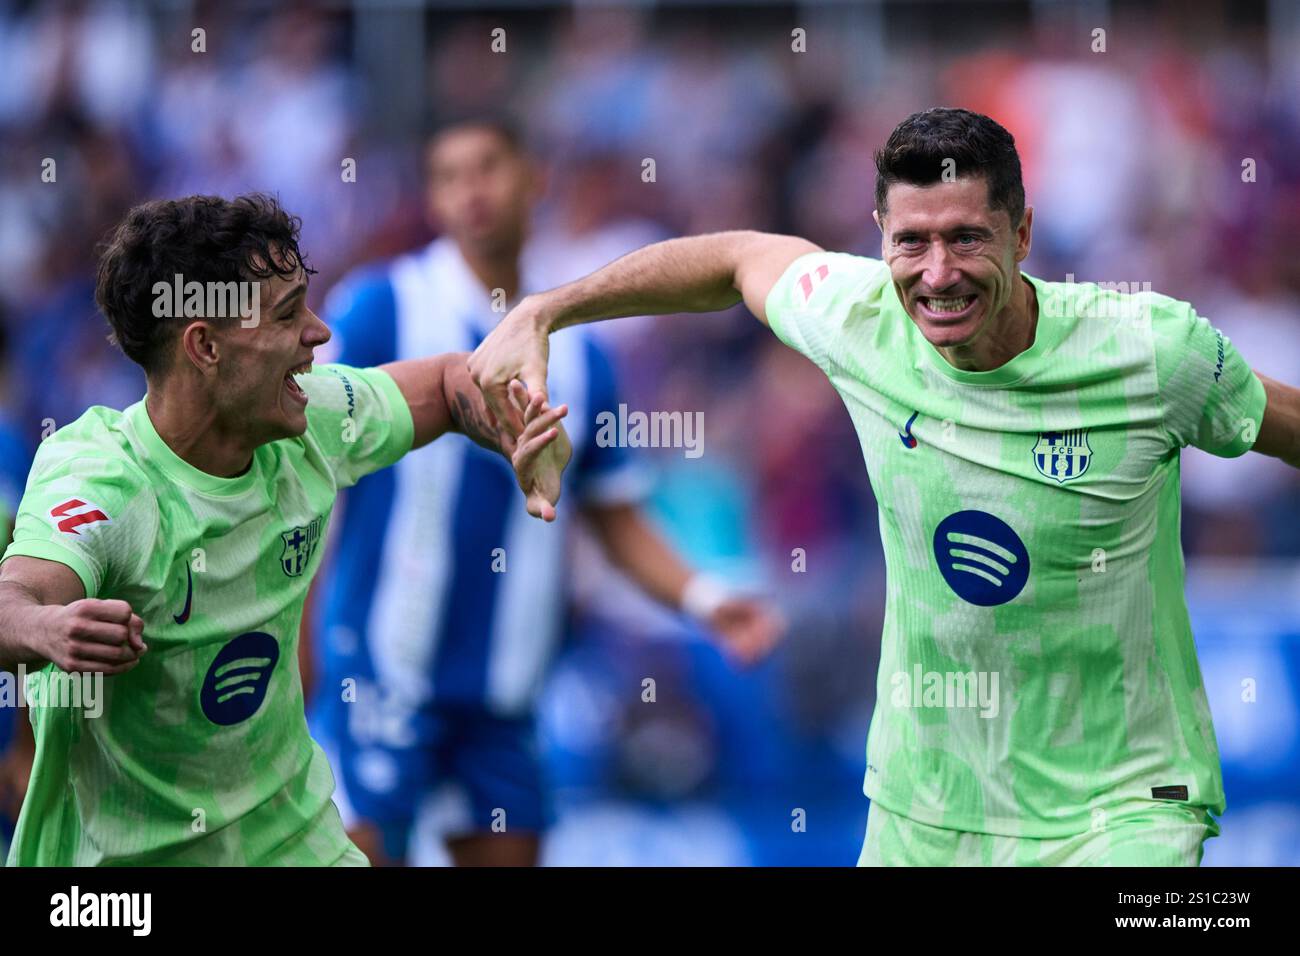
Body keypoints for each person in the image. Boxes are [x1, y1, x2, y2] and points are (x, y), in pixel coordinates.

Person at [469, 107, 1300, 866]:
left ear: (1022, 235)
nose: (937, 274)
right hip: (924, 812)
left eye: (969, 238)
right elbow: (735, 259)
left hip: (1121, 812)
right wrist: (546, 310)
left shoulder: (1153, 353)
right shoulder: (858, 318)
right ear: (880, 237)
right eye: (911, 242)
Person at [0, 193, 569, 866]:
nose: (320, 333)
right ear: (205, 346)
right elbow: (16, 599)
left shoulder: (313, 423)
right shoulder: (103, 480)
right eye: (288, 312)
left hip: (287, 846)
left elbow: (449, 383)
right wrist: (47, 631)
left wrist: (504, 418)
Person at [310, 116, 783, 867]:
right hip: (381, 675)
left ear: (536, 180)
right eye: (450, 176)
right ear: (431, 199)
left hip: (505, 694)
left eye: (489, 167)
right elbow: (306, 467)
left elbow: (615, 517)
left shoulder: (586, 349)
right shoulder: (380, 309)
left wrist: (702, 597)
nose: (472, 192)